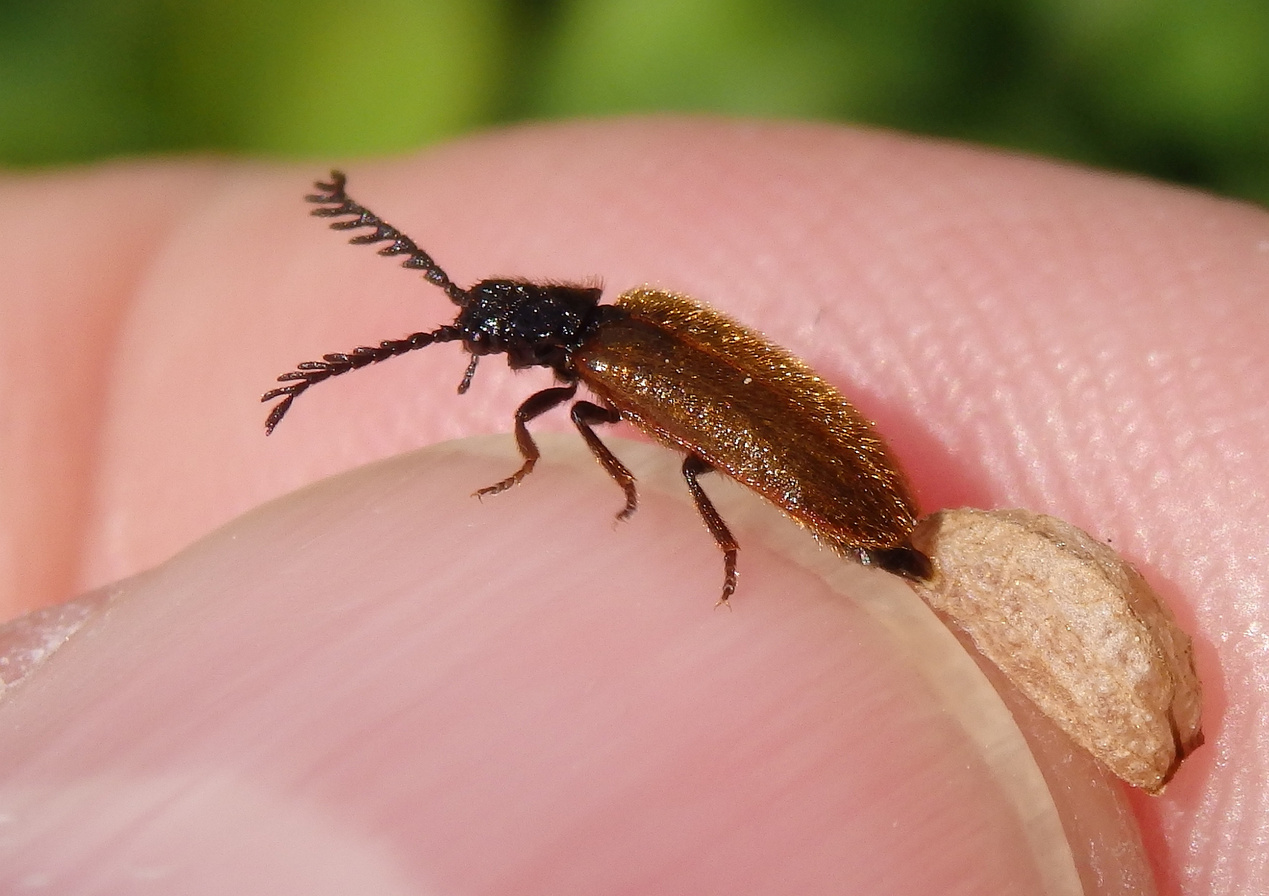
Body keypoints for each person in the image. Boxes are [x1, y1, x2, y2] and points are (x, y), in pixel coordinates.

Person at [0, 118, 1263, 893]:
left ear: (527, 336)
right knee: (682, 452)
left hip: (825, 485)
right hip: (819, 455)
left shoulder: (595, 375)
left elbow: (702, 432)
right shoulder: (629, 327)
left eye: (485, 330)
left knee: (693, 468)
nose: (486, 353)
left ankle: (721, 539)